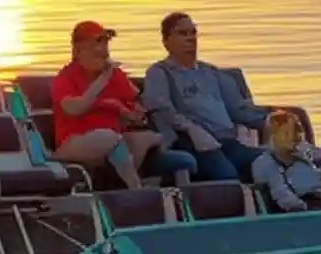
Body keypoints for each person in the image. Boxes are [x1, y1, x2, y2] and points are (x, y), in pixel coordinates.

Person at [50, 20, 196, 188]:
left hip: (116, 138)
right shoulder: (65, 77)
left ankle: (162, 193)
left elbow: (137, 103)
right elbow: (74, 108)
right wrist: (102, 81)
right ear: (78, 50)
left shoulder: (115, 75)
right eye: (97, 42)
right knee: (108, 137)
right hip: (74, 142)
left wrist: (133, 114)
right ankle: (136, 189)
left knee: (149, 139)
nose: (103, 50)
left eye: (105, 43)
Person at [142, 12, 267, 182]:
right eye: (182, 33)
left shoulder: (211, 73)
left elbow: (238, 109)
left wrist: (273, 119)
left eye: (193, 33)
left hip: (228, 142)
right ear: (166, 41)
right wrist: (190, 128)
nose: (190, 39)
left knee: (273, 162)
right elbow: (160, 108)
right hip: (195, 144)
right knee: (228, 175)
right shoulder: (160, 72)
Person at [252, 110, 321, 211]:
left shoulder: (302, 159)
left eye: (296, 131)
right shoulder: (263, 163)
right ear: (273, 136)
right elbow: (282, 196)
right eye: (287, 133)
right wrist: (306, 208)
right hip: (296, 214)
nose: (294, 137)